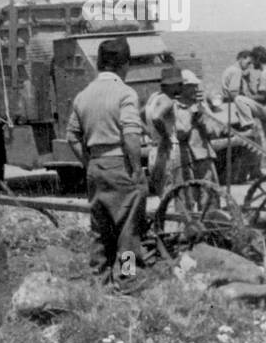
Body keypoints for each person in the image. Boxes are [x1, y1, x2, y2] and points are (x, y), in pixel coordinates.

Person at [66, 37, 148, 286]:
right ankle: (127, 280)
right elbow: (131, 136)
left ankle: (98, 281)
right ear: (124, 65)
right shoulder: (125, 93)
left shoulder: (83, 95)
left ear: (99, 64)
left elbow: (71, 136)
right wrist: (137, 171)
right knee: (128, 229)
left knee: (100, 229)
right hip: (119, 165)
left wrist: (88, 162)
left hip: (95, 166)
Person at [143, 66, 182, 194]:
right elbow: (156, 117)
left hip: (153, 149)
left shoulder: (153, 98)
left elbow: (140, 115)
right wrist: (165, 136)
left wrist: (149, 131)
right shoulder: (168, 100)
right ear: (172, 85)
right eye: (179, 84)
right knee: (173, 190)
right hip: (167, 149)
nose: (181, 87)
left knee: (162, 191)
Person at [174, 70, 217, 183]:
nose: (195, 89)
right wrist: (191, 116)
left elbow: (214, 131)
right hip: (185, 158)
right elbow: (181, 134)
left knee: (208, 193)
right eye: (191, 86)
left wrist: (203, 117)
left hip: (203, 154)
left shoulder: (201, 105)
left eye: (196, 86)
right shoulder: (175, 107)